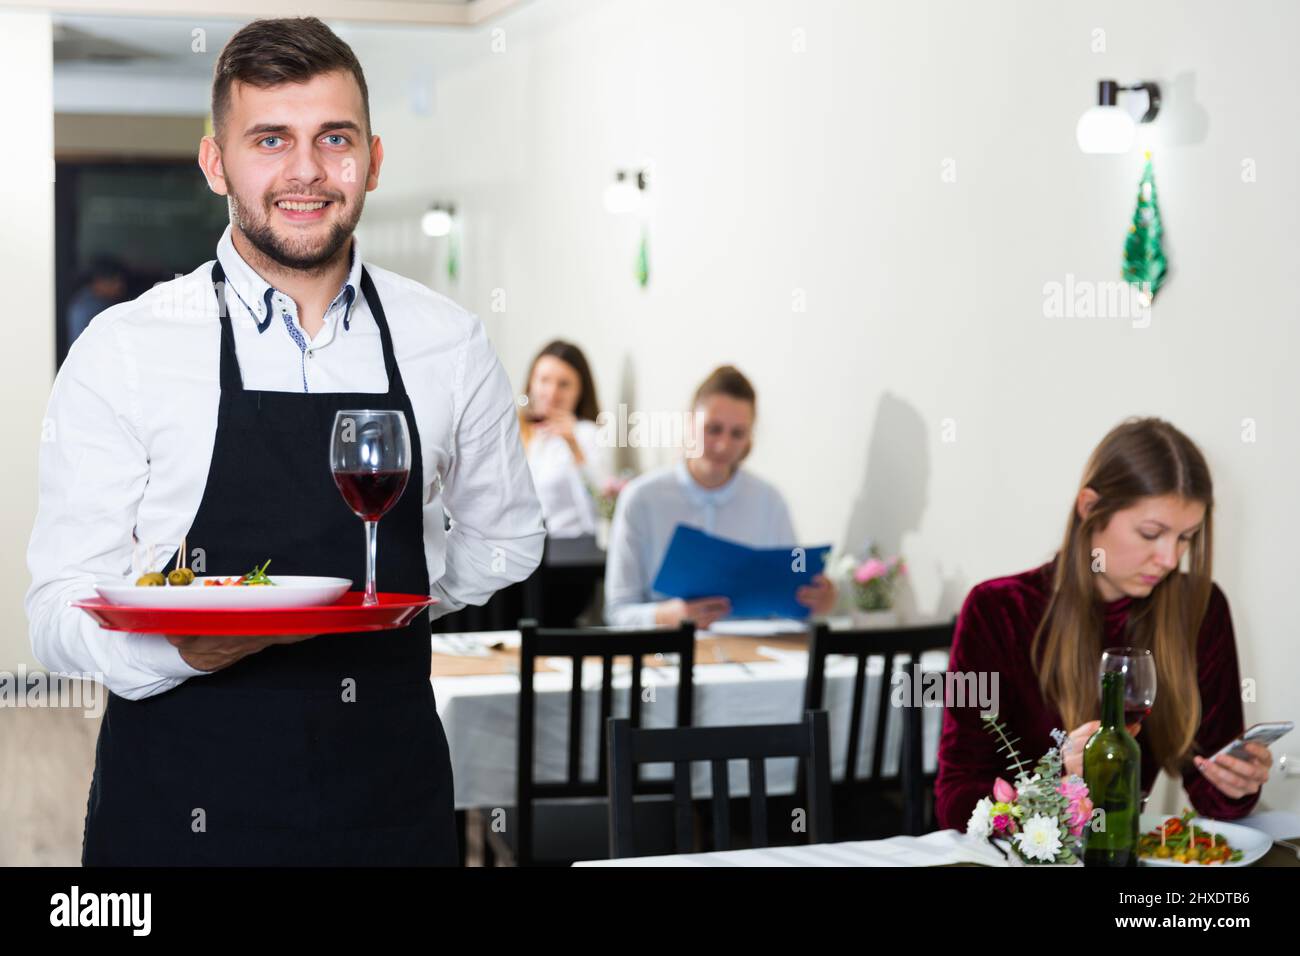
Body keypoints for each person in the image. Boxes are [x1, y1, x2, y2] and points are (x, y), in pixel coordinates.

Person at [25, 17, 544, 865]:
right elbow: (55, 612)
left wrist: (384, 595)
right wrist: (178, 650)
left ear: (372, 158)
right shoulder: (126, 349)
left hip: (388, 811)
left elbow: (509, 539)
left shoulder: (447, 343)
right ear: (215, 162)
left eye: (332, 138)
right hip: (177, 816)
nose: (306, 170)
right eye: (271, 139)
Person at [935, 418, 1272, 830]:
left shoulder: (1199, 608)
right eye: (1151, 533)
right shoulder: (998, 610)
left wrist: (1237, 784)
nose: (1169, 559)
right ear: (1090, 508)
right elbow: (956, 798)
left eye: (1186, 537)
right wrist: (1058, 786)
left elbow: (1214, 798)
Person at [604, 364, 836, 628]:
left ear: (749, 438)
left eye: (737, 434)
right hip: (667, 650)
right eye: (713, 429)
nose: (723, 445)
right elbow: (617, 611)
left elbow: (795, 577)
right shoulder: (641, 498)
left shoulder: (769, 501)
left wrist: (817, 596)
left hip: (752, 654)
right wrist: (665, 616)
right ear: (690, 423)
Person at [518, 340, 615, 625]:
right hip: (524, 554)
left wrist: (574, 446)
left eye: (564, 384)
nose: (552, 392)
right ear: (531, 383)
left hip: (567, 562)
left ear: (580, 390)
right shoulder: (521, 433)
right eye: (544, 380)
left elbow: (601, 505)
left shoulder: (587, 435)